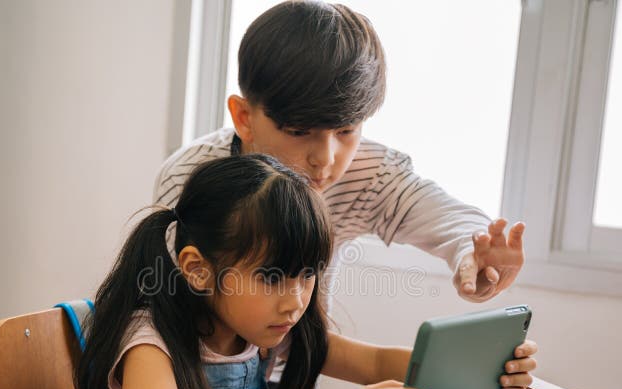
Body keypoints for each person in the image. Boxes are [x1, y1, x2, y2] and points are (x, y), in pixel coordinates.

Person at [76, 154, 538, 389]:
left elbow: (374, 361)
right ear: (198, 270)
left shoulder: (262, 330)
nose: (295, 300)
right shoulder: (148, 339)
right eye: (273, 277)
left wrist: (479, 369)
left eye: (308, 274)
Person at [154, 0, 525, 307]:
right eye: (299, 132)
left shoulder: (370, 173)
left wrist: (472, 251)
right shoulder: (189, 176)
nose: (326, 159)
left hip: (298, 374)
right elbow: (166, 312)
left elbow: (448, 217)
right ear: (244, 117)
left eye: (346, 131)